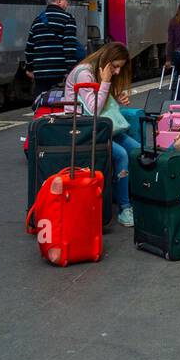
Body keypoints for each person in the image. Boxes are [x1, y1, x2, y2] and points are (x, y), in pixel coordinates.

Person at [64, 42, 137, 227]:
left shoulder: (97, 71)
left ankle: (126, 194)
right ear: (106, 61)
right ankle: (124, 207)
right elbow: (93, 108)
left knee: (136, 150)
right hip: (83, 129)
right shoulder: (84, 73)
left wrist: (116, 98)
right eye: (115, 66)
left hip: (101, 128)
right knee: (120, 154)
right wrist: (105, 82)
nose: (118, 72)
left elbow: (101, 105)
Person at [23, 0, 83, 99]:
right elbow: (69, 47)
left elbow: (29, 48)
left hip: (40, 72)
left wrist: (30, 68)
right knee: (59, 105)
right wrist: (70, 71)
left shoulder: (37, 20)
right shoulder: (68, 19)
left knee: (41, 102)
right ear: (59, 1)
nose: (67, 3)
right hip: (59, 72)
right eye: (65, 0)